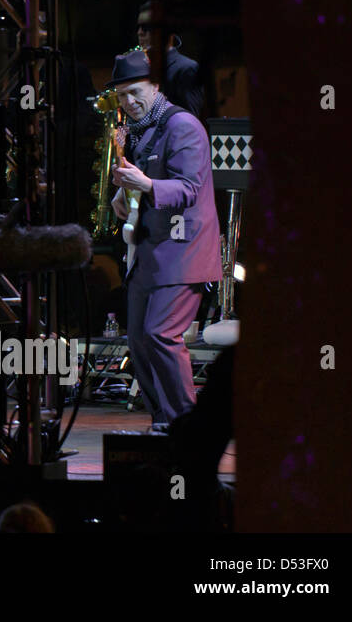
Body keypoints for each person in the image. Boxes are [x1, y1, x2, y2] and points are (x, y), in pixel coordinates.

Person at [109, 49, 221, 431]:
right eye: (122, 95)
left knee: (160, 333)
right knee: (139, 339)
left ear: (156, 86)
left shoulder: (183, 125)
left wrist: (147, 185)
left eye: (136, 91)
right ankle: (164, 422)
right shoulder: (138, 132)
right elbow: (142, 188)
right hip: (149, 250)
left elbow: (190, 188)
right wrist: (124, 197)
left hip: (182, 250)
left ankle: (188, 426)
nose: (129, 102)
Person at [136, 0, 205, 117]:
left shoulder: (186, 68)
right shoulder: (140, 68)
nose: (140, 33)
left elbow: (190, 121)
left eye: (147, 27)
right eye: (139, 27)